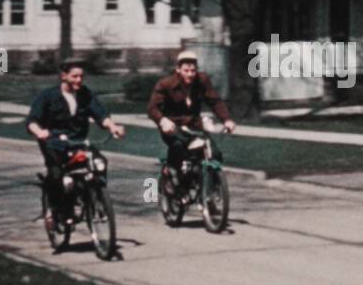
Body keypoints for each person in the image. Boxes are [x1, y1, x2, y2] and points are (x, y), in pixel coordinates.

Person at [26, 58, 125, 229]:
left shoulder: (85, 94)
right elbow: (32, 121)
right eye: (74, 76)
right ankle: (53, 211)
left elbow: (101, 115)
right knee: (57, 175)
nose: (79, 80)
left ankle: (96, 199)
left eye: (81, 76)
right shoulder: (48, 96)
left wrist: (113, 127)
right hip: (54, 143)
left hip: (78, 142)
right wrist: (40, 132)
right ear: (63, 76)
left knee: (100, 163)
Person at [147, 51, 236, 195]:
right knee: (179, 147)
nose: (190, 74)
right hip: (172, 127)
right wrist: (162, 120)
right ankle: (171, 175)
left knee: (215, 154)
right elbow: (152, 108)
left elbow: (215, 101)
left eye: (193, 70)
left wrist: (227, 120)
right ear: (178, 69)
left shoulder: (202, 81)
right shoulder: (166, 84)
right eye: (186, 70)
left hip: (194, 126)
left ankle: (211, 192)